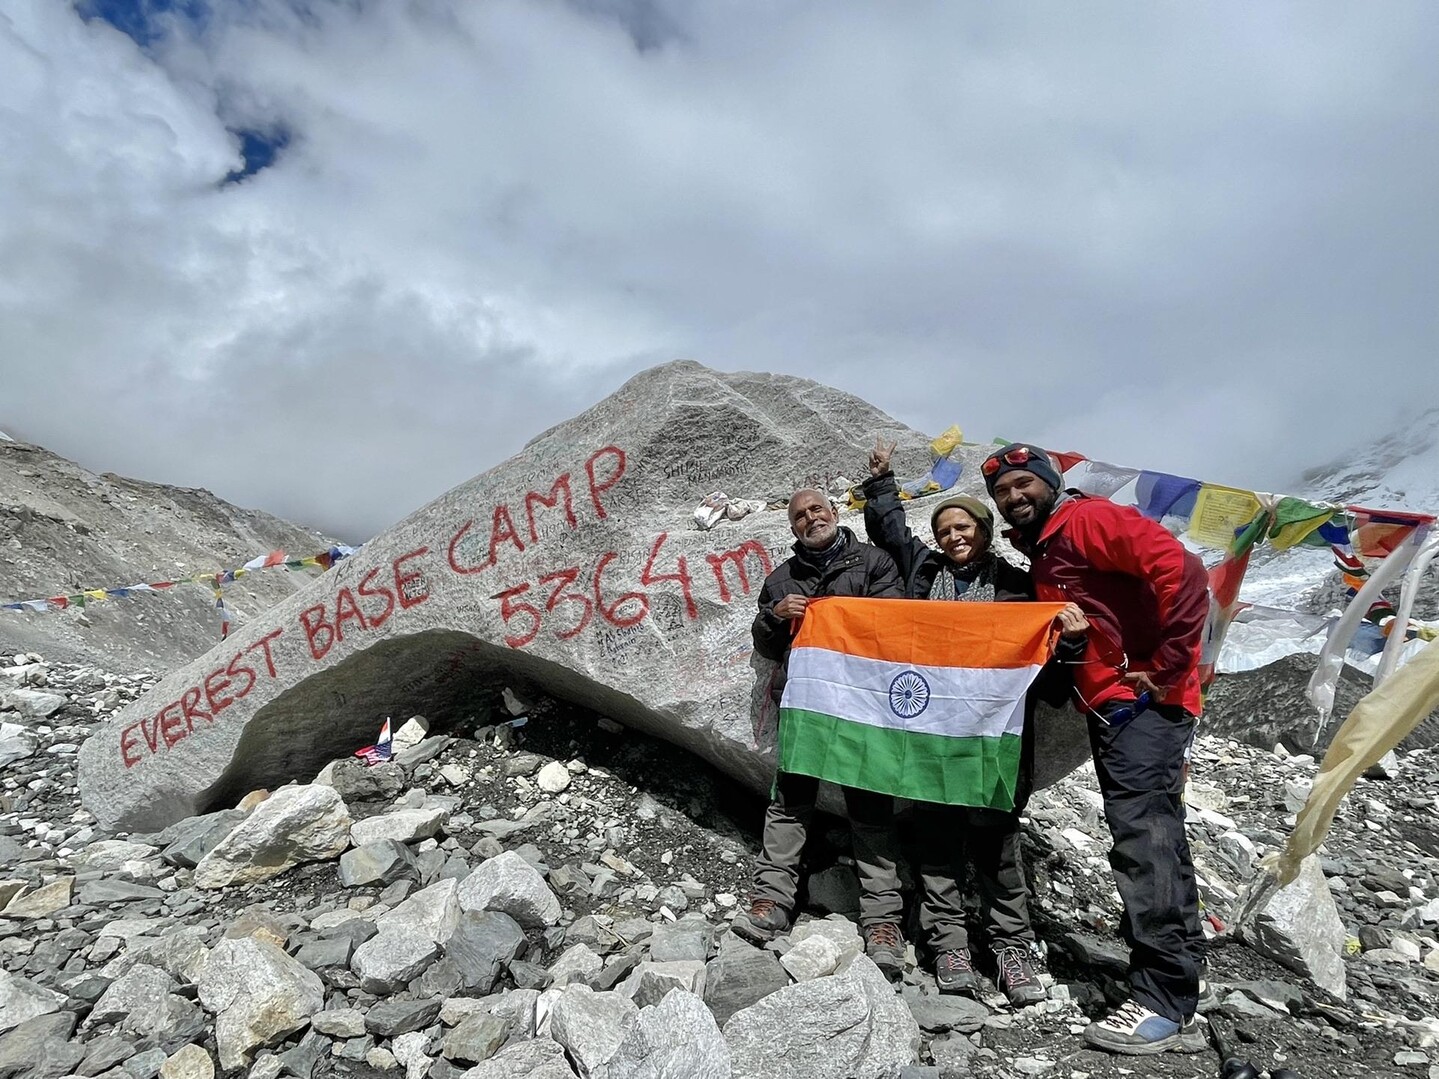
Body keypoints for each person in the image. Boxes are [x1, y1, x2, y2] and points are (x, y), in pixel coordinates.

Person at [982, 442, 1210, 1055]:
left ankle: (1163, 996)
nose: (1014, 497)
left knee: (1142, 837)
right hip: (1117, 705)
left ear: (1051, 483)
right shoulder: (1048, 547)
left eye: (1024, 484)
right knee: (1157, 829)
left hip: (1146, 704)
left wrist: (1165, 666)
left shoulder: (1088, 521)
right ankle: (1181, 967)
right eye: (1003, 492)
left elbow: (1186, 573)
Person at [861, 439, 1087, 1007]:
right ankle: (949, 945)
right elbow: (891, 533)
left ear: (985, 531)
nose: (953, 537)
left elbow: (1045, 667)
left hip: (994, 740)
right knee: (937, 840)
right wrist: (884, 483)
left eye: (965, 527)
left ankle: (1011, 946)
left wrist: (1072, 642)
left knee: (995, 842)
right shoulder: (922, 573)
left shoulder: (1018, 589)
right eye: (944, 531)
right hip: (932, 736)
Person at [734, 487, 909, 978]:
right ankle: (771, 899)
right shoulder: (780, 579)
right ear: (792, 529)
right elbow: (766, 646)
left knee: (871, 806)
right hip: (807, 703)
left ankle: (883, 922)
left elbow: (892, 621)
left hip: (865, 705)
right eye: (799, 517)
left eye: (817, 510)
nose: (811, 519)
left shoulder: (875, 563)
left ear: (835, 513)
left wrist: (832, 611)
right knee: (790, 799)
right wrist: (774, 616)